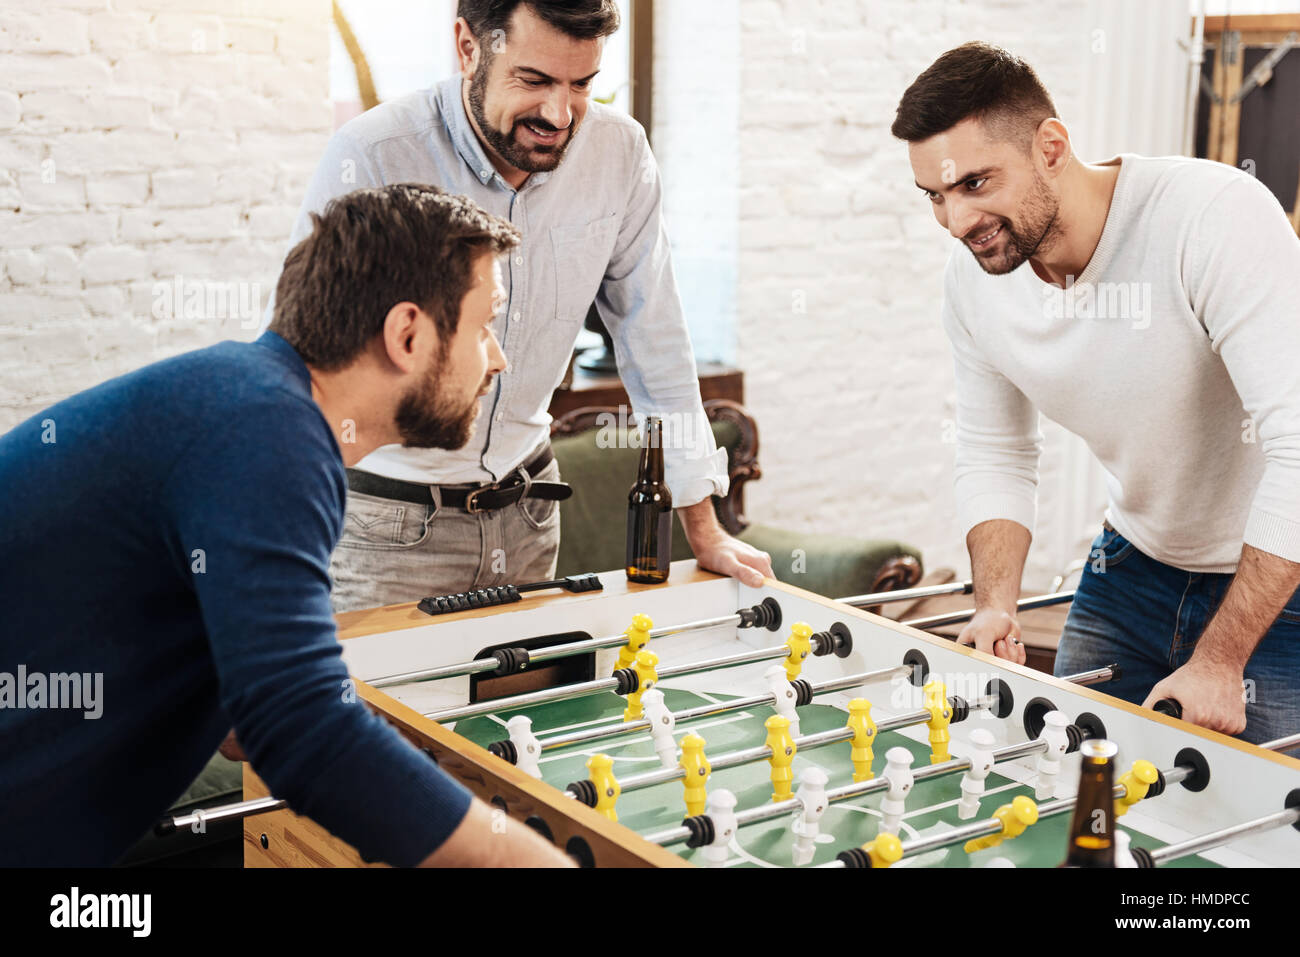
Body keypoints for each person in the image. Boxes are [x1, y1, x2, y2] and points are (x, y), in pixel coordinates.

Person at [0, 184, 571, 866]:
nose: (497, 359)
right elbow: (299, 728)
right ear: (408, 333)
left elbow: (252, 713)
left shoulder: (256, 406)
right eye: (485, 327)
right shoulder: (268, 433)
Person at [270, 0, 772, 612]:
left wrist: (704, 525)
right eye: (533, 81)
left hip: (531, 512)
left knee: (530, 711)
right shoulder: (374, 153)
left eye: (581, 84)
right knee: (379, 711)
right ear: (468, 47)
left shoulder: (619, 152)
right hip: (385, 530)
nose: (559, 114)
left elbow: (654, 334)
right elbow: (308, 357)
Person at [891, 42, 1300, 744]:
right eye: (936, 195)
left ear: (1051, 146)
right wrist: (995, 605)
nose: (956, 223)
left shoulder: (1212, 218)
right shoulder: (974, 283)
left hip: (1277, 592)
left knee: (1249, 838)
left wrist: (1221, 658)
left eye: (976, 184)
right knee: (1073, 795)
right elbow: (996, 450)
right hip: (1129, 568)